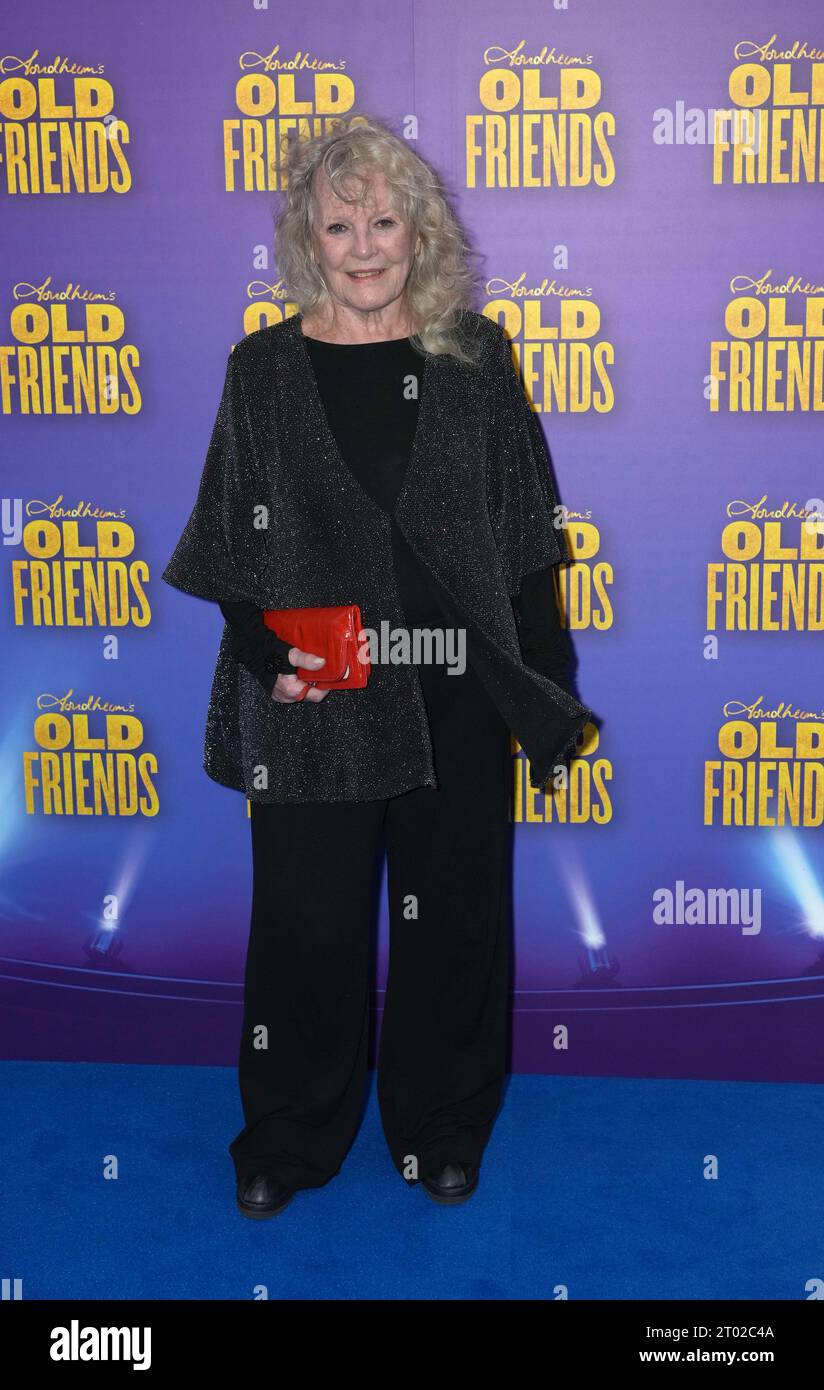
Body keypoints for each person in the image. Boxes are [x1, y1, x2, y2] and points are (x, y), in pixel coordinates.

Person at [162, 114, 594, 1218]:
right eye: (339, 225)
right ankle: (289, 1132)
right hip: (317, 697)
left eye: (384, 223)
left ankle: (443, 1124)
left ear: (419, 232)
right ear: (307, 239)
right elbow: (229, 549)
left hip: (456, 688)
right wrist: (271, 659)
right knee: (303, 923)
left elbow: (524, 542)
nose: (363, 248)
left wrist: (543, 695)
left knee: (452, 919)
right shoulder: (262, 371)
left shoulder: (474, 357)